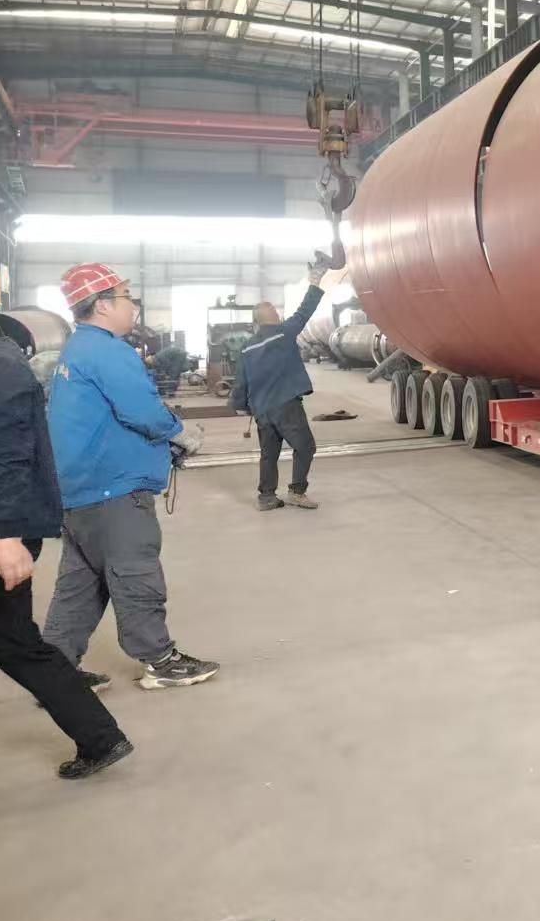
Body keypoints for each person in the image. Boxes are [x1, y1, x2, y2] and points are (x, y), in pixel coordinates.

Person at [41, 263, 218, 690]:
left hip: (78, 491)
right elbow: (141, 411)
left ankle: (54, 675)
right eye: (126, 297)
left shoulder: (77, 348)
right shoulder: (108, 351)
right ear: (102, 305)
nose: (133, 306)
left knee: (80, 584)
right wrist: (180, 434)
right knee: (134, 571)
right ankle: (159, 660)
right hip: (112, 491)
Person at [0, 325, 135, 778]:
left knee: (16, 643)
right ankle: (100, 737)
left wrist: (5, 535)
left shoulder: (1, 368)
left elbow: (9, 456)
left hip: (3, 530)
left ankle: (100, 736)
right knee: (14, 643)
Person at [231, 262, 326, 511]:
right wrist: (315, 280)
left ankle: (266, 497)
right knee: (305, 447)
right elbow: (305, 310)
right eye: (275, 311)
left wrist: (240, 406)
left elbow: (240, 381)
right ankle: (297, 492)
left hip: (262, 410)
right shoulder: (284, 332)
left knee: (269, 453)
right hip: (286, 405)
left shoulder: (247, 347)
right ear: (273, 317)